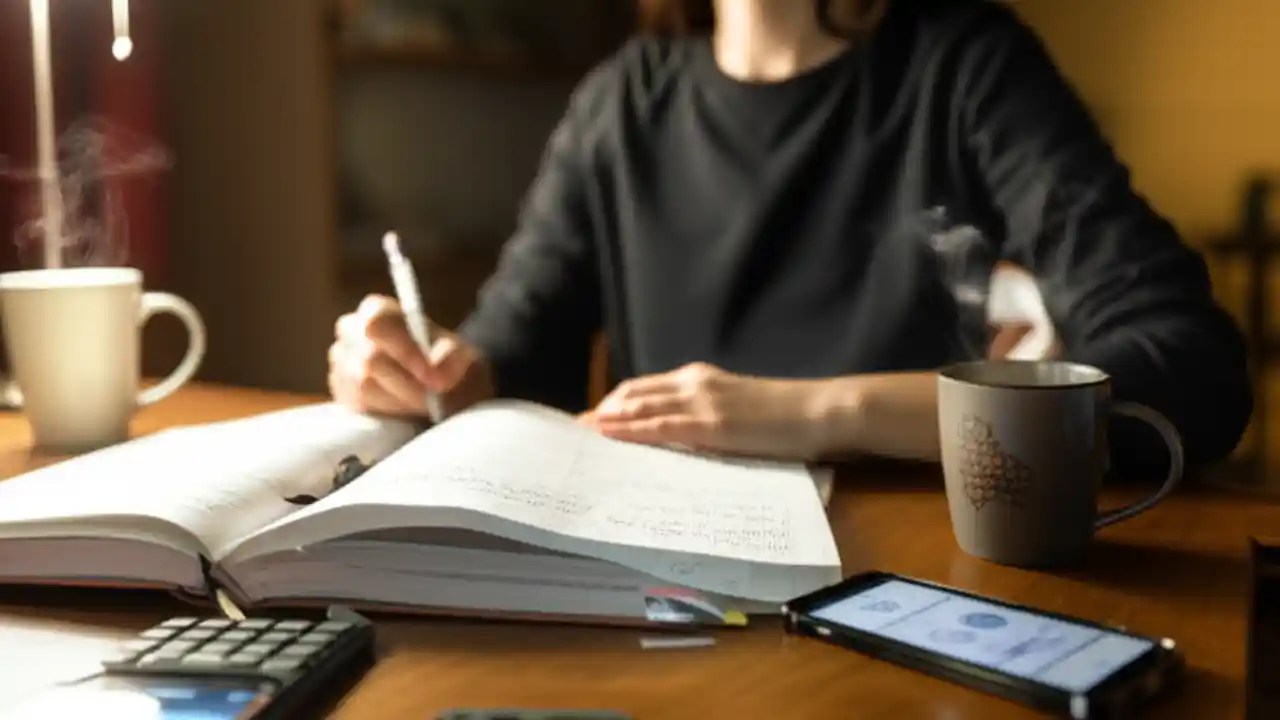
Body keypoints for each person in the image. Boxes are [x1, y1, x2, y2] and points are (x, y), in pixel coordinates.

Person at [329, 0, 1252, 468]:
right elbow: (516, 362)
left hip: (914, 583)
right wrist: (427, 371)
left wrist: (814, 413)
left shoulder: (966, 65)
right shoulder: (623, 104)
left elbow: (1186, 372)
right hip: (674, 597)